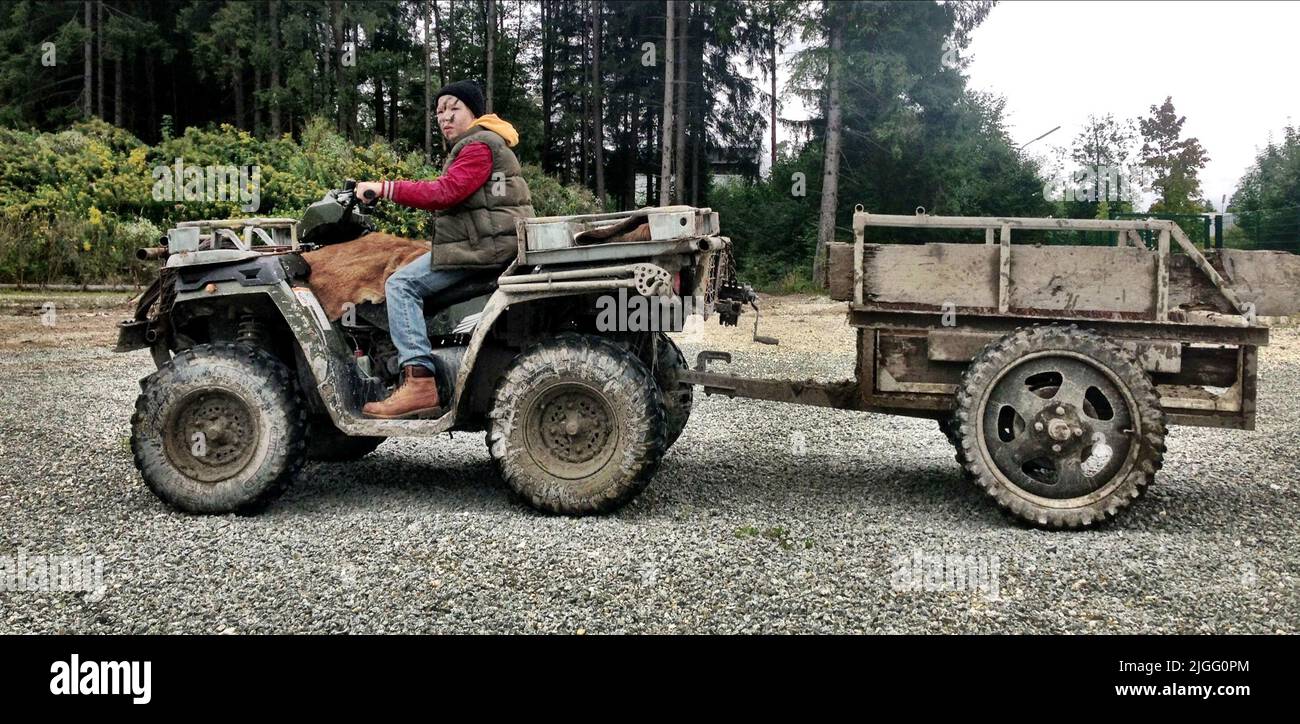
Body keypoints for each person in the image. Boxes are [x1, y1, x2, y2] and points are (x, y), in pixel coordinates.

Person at [355, 80, 534, 419]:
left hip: (486, 249)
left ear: (475, 113)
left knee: (400, 284)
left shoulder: (480, 145)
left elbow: (445, 192)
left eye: (455, 109)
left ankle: (419, 381)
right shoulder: (485, 144)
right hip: (492, 244)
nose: (445, 117)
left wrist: (385, 188)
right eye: (439, 111)